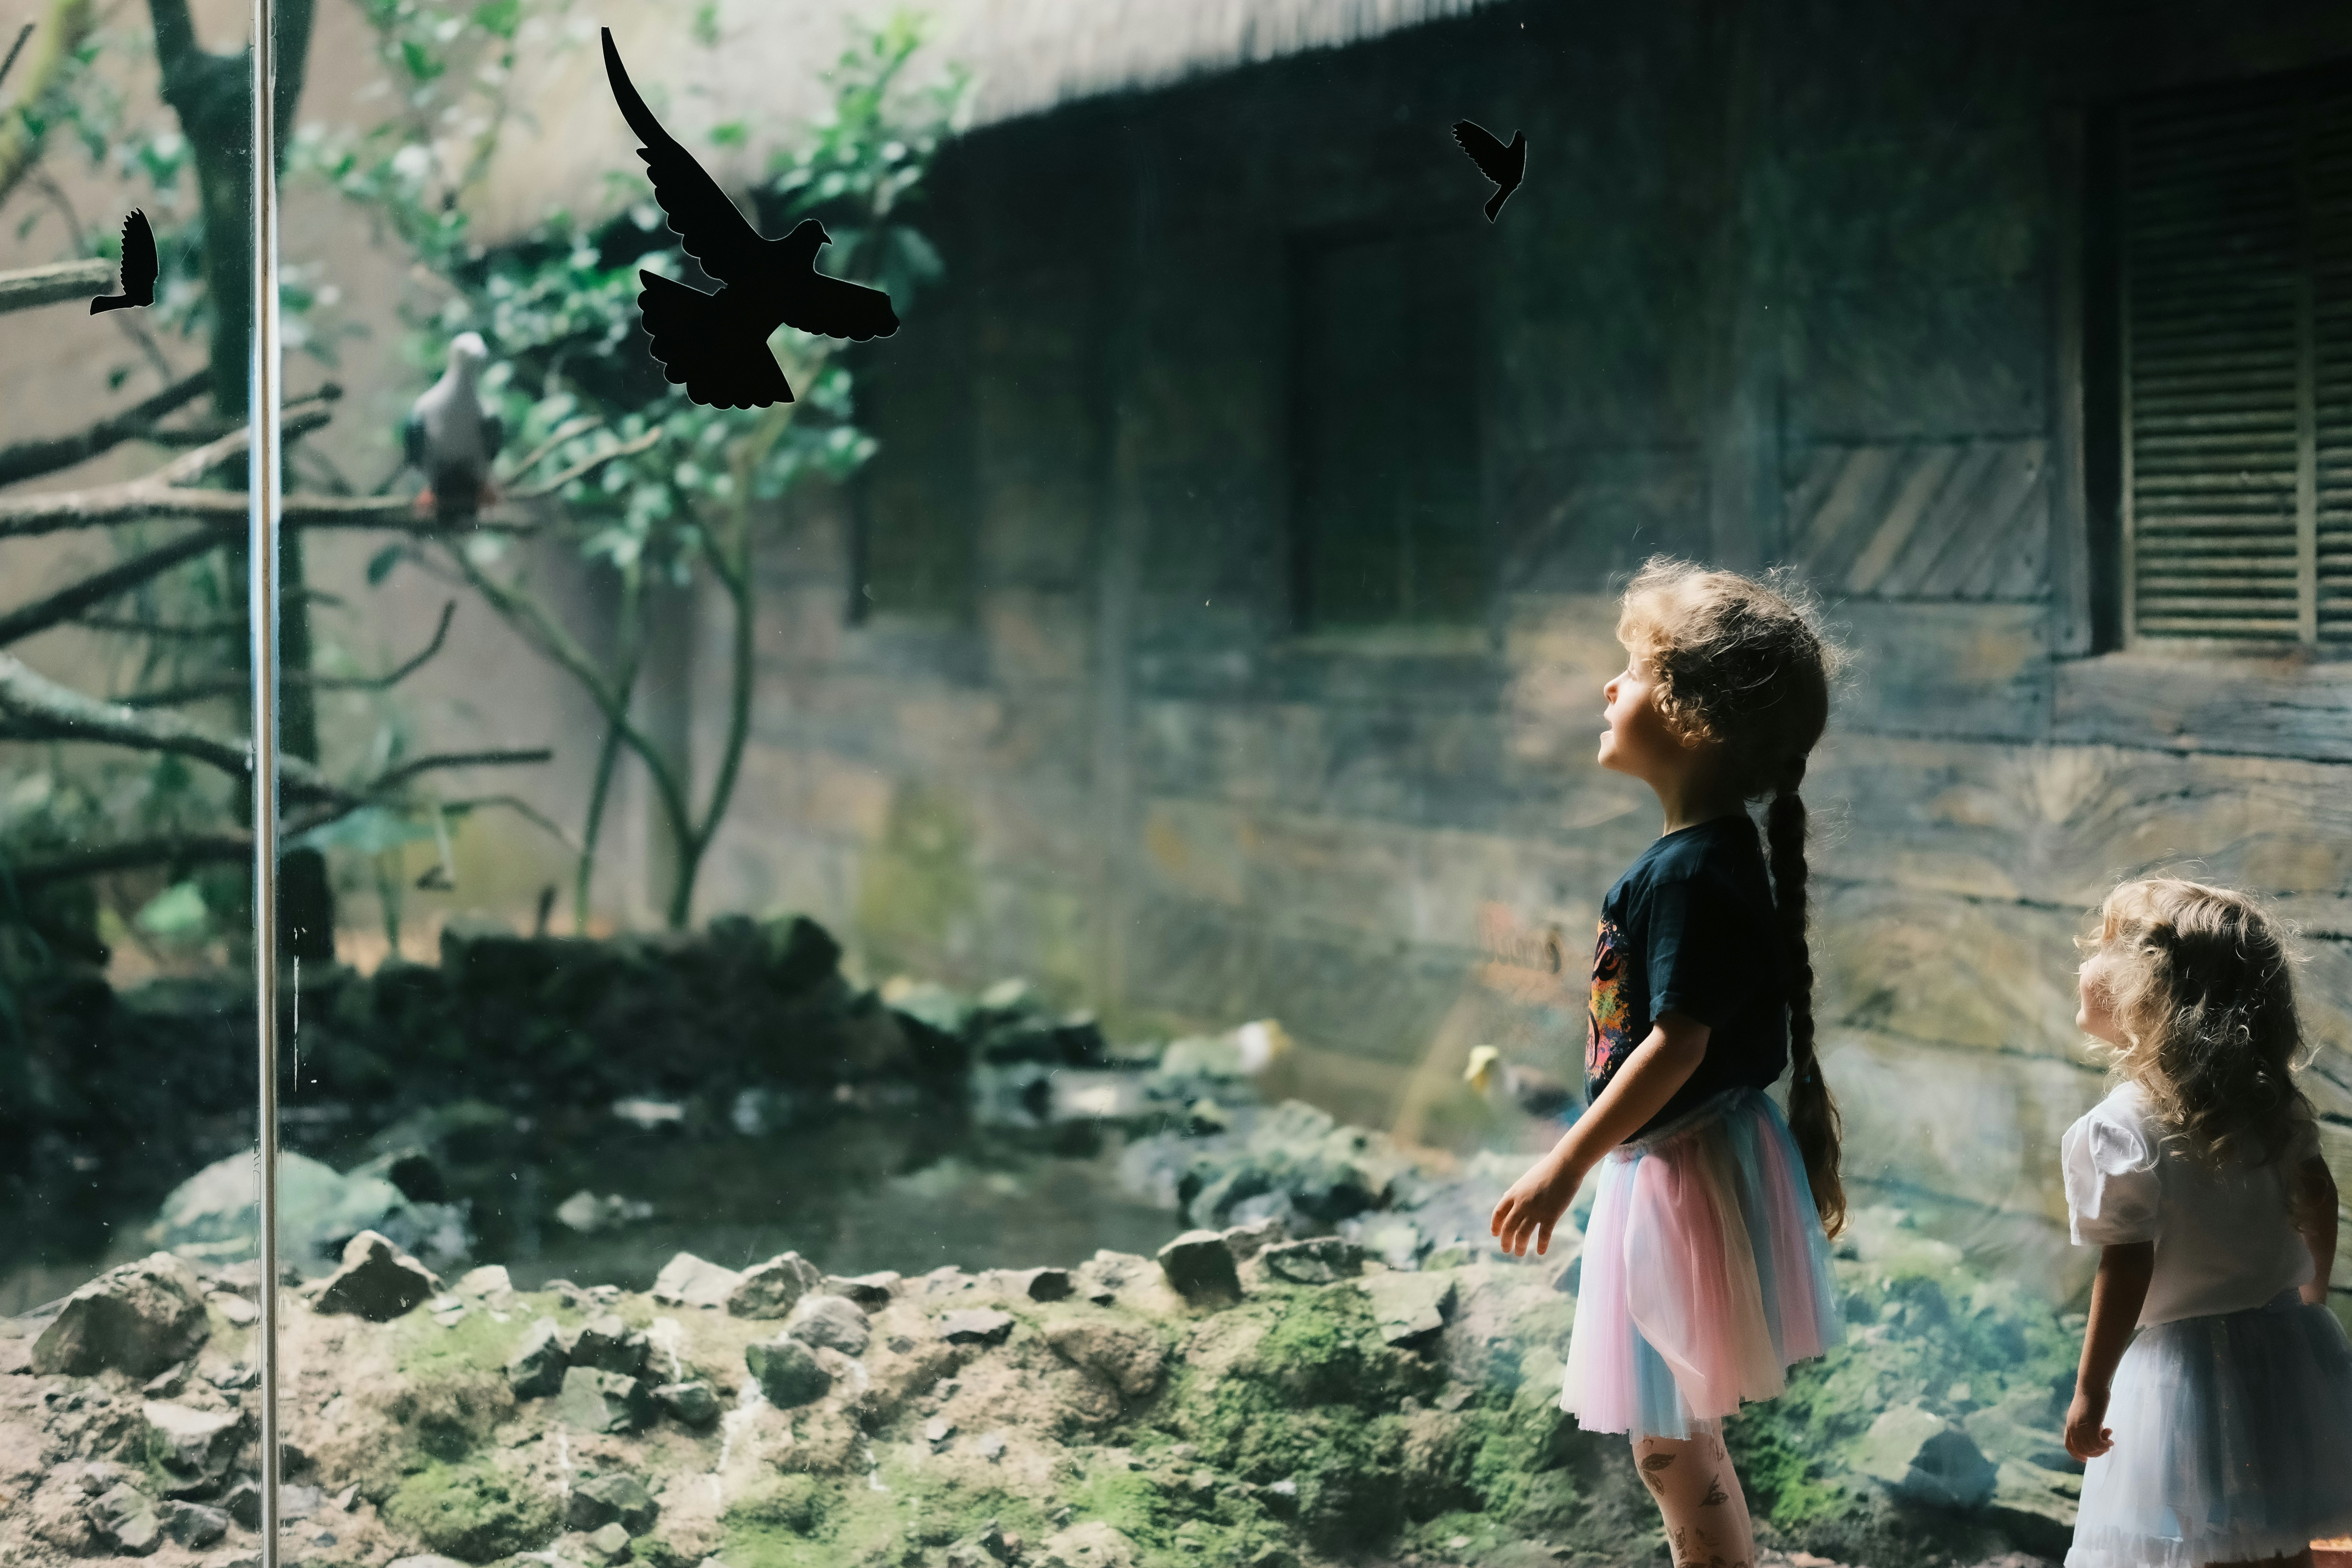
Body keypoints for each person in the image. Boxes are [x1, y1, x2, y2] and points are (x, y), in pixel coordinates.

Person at [1490, 558, 1846, 1567]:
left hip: (1684, 1169)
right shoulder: (1703, 856)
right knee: (1672, 1432)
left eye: (1634, 670)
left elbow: (1676, 1041)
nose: (1609, 688)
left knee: (1669, 1435)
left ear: (1693, 714)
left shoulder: (1692, 871)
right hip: (1689, 1160)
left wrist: (1564, 1163)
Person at [2060, 877, 2352, 1568]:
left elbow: (2126, 1264)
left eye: (2105, 945)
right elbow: (2321, 1197)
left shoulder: (2119, 1129)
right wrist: (2309, 1301)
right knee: (2281, 1539)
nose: (2084, 961)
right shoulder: (2271, 1103)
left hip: (2184, 1377)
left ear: (2151, 990)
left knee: (2201, 1543)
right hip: (2284, 1346)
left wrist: (2091, 1389)